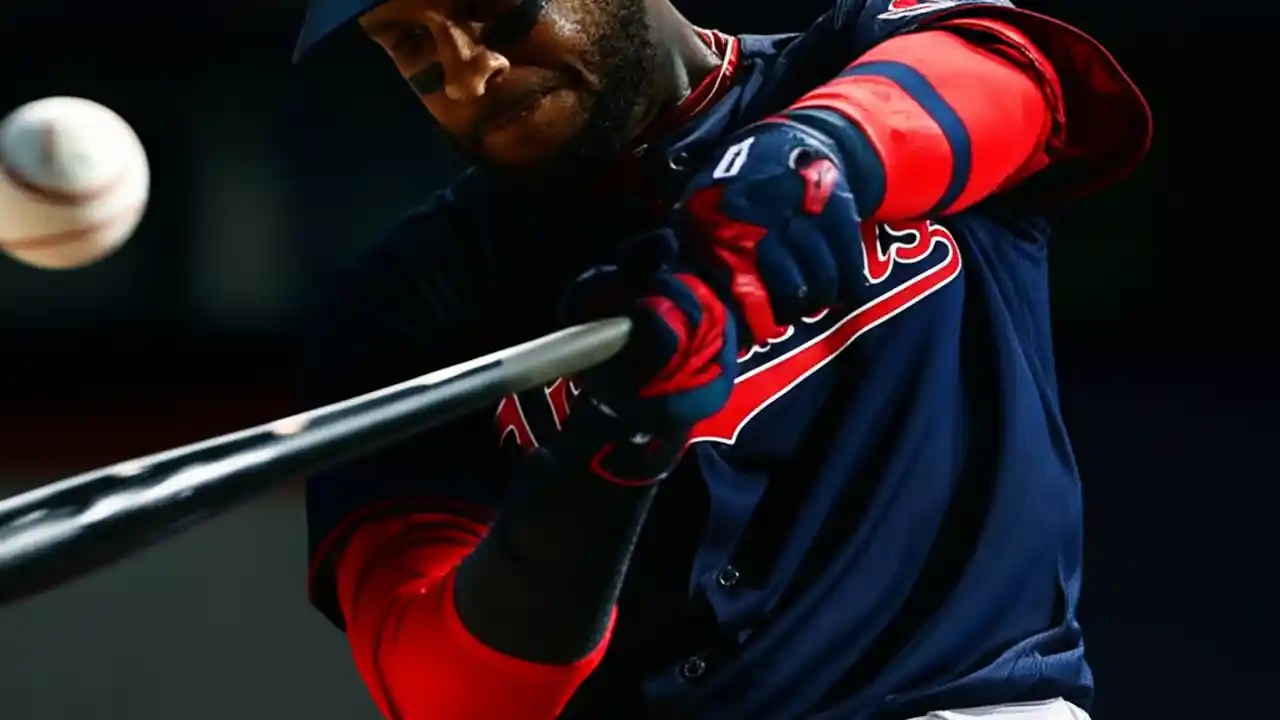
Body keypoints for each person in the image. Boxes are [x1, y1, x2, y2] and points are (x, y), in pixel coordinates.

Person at [290, 0, 1151, 717]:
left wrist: (822, 150)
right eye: (410, 44)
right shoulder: (401, 302)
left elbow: (1011, 77)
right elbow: (448, 694)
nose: (468, 71)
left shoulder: (863, 57)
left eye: (496, 8)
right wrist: (610, 451)